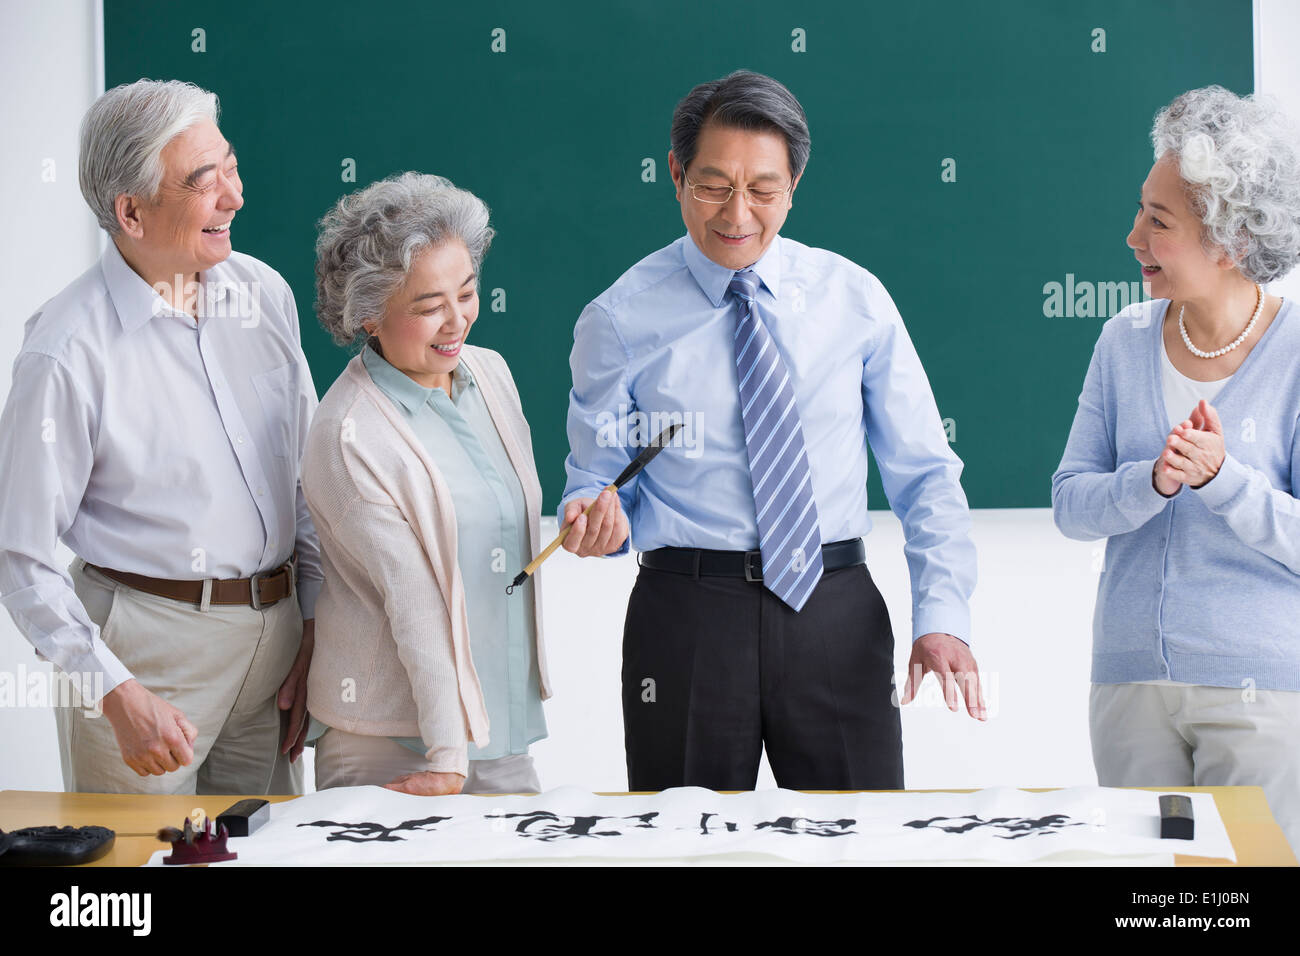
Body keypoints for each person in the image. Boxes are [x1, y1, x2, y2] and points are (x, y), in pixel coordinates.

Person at [561, 70, 984, 793]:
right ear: (675, 174)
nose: (738, 214)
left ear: (795, 184)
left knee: (859, 842)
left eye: (763, 189)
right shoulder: (619, 319)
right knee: (686, 849)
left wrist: (941, 615)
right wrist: (592, 521)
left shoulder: (855, 300)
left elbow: (925, 474)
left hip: (836, 611)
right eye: (713, 185)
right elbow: (598, 484)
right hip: (687, 619)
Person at [0, 79, 321, 794]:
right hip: (146, 654)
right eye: (205, 181)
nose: (234, 196)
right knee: (139, 871)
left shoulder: (264, 294)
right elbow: (20, 556)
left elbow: (305, 481)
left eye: (231, 167)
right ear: (132, 211)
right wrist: (112, 691)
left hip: (275, 645)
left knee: (264, 852)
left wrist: (312, 625)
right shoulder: (65, 350)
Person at [1053, 86, 1300, 853]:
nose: (1133, 236)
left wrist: (1224, 481)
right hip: (1130, 686)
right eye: (1140, 210)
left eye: (1158, 222)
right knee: (1146, 903)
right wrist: (1151, 482)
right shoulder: (1122, 340)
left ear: (1227, 238)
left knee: (1245, 902)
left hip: (1263, 693)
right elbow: (1070, 504)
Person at [303, 172, 549, 795]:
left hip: (494, 723)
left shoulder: (489, 374)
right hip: (396, 743)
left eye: (466, 293)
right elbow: (415, 602)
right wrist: (446, 757)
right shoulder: (348, 433)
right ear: (367, 316)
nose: (457, 321)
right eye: (428, 306)